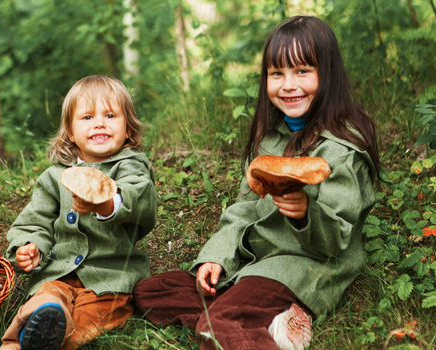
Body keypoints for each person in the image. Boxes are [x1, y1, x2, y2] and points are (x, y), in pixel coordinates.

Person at [133, 16, 381, 350]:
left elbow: (336, 241)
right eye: (277, 74)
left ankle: (239, 321)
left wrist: (306, 212)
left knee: (218, 325)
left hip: (301, 266)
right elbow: (244, 208)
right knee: (151, 292)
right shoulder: (269, 142)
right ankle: (271, 321)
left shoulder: (341, 150)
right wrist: (218, 257)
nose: (288, 85)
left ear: (329, 74)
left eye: (302, 72)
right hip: (253, 263)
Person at [0, 75, 158, 350]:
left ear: (127, 129)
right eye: (87, 117)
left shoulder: (131, 167)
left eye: (110, 115)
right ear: (71, 132)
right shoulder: (55, 177)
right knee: (45, 302)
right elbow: (35, 220)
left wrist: (104, 202)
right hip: (58, 274)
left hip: (109, 281)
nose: (100, 123)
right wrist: (31, 247)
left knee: (82, 320)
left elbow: (140, 200)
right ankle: (16, 342)